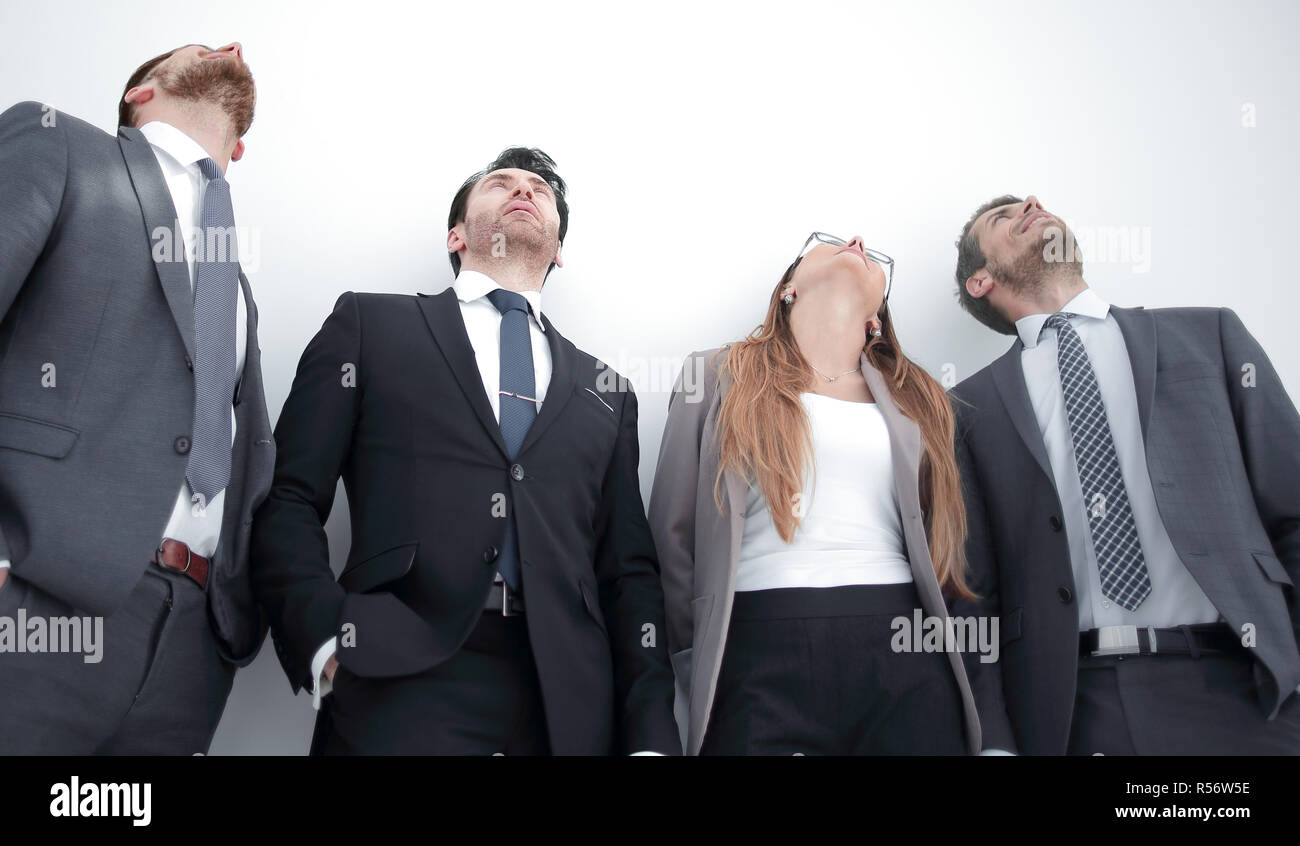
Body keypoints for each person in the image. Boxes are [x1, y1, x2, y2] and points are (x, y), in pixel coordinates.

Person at [251, 147, 680, 755]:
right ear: (456, 235)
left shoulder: (608, 391)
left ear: (558, 250)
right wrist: (323, 639)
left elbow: (629, 574)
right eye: (500, 184)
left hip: (568, 702)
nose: (523, 192)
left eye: (540, 189)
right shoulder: (370, 326)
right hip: (396, 675)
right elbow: (289, 495)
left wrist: (651, 736)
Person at [949, 194, 1300, 755]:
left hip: (1247, 689)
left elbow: (1293, 506)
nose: (1032, 205)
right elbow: (972, 592)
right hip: (1079, 710)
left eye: (1034, 201)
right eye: (1002, 216)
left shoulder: (1209, 334)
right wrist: (995, 741)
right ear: (981, 281)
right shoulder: (966, 409)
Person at [0, 43, 271, 754]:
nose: (234, 48)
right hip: (32, 600)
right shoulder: (60, 145)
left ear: (238, 149)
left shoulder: (236, 281)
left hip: (190, 645)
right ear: (141, 93)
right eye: (205, 48)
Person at [649, 232, 983, 755]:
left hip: (904, 643)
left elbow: (949, 544)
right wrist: (696, 658)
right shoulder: (715, 373)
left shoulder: (919, 396)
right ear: (788, 288)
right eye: (827, 241)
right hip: (757, 643)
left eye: (875, 257)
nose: (856, 241)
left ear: (878, 315)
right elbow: (672, 536)